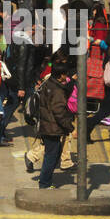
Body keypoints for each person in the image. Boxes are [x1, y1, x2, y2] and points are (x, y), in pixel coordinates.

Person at [34, 59, 75, 190]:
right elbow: (59, 111)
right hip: (51, 127)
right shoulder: (56, 90)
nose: (67, 76)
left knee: (53, 154)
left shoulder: (49, 83)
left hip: (47, 125)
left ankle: (45, 181)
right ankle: (44, 184)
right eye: (66, 74)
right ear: (61, 75)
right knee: (51, 156)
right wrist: (70, 127)